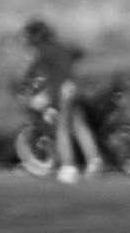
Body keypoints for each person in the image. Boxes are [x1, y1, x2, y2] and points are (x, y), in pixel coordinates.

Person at [14, 16, 85, 180]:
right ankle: (91, 160)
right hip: (70, 88)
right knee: (75, 125)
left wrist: (23, 87)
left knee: (62, 129)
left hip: (62, 90)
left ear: (36, 36)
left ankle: (68, 167)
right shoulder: (59, 46)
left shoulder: (44, 50)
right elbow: (79, 52)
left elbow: (31, 71)